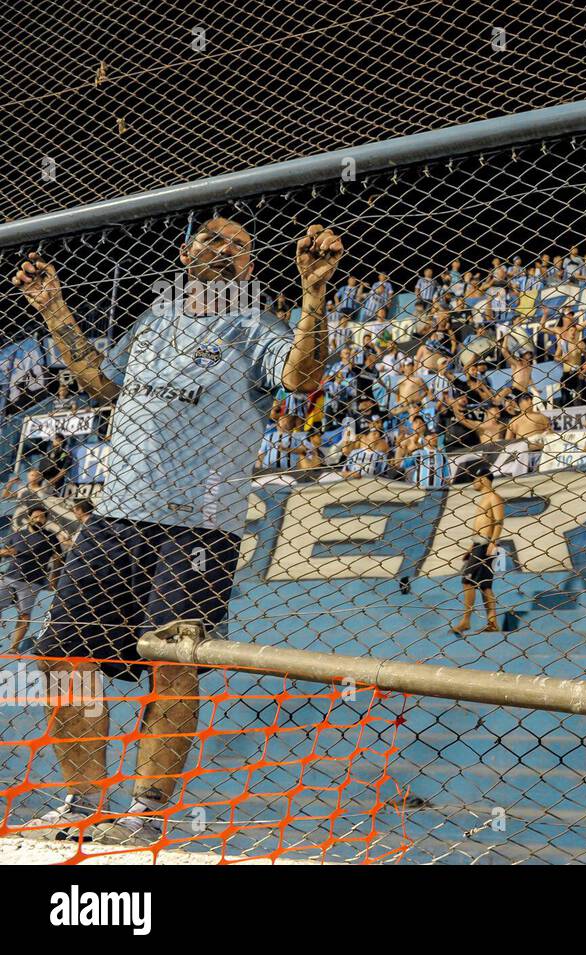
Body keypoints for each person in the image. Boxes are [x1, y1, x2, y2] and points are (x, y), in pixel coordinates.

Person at [9, 217, 344, 844]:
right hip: (115, 517)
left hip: (197, 525)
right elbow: (102, 382)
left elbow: (302, 377)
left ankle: (144, 812)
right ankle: (84, 804)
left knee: (172, 664)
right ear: (186, 251)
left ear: (250, 267)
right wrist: (55, 309)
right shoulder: (153, 318)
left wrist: (314, 297)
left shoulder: (256, 327)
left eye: (243, 245)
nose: (227, 251)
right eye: (214, 239)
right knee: (62, 657)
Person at [0, 505, 67, 652]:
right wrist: (6, 551)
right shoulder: (18, 534)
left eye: (42, 517)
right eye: (35, 516)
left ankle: (13, 648)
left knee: (24, 614)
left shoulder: (50, 538)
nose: (39, 519)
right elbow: (2, 551)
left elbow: (58, 560)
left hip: (32, 582)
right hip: (10, 577)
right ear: (29, 518)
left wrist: (54, 579)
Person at [452, 464, 504, 635]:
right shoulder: (483, 499)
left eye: (475, 479)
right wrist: (470, 547)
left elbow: (498, 522)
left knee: (467, 581)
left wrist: (493, 542)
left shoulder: (493, 497)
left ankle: (466, 620)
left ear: (483, 479)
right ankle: (492, 622)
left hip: (485, 544)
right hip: (478, 544)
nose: (473, 483)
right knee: (485, 585)